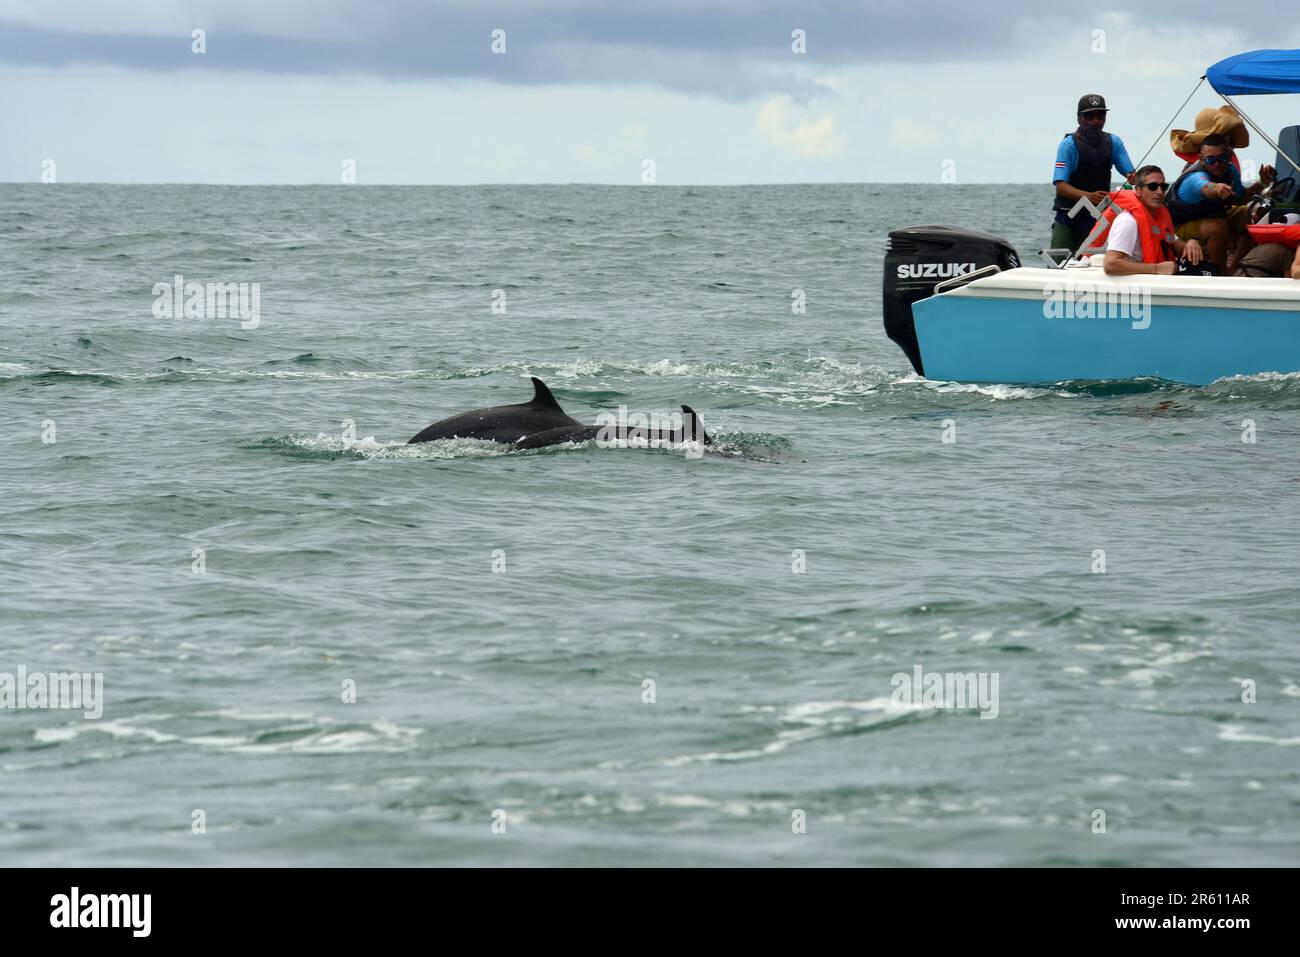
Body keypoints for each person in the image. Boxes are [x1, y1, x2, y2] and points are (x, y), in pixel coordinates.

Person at [1166, 133, 1275, 271]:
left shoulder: (1230, 171)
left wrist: (1262, 183)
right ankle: (1220, 274)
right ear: (1201, 159)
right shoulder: (1195, 177)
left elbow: (1241, 199)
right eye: (1211, 160)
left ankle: (1235, 269)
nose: (1217, 164)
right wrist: (1217, 188)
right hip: (1178, 227)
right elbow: (1206, 187)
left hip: (1206, 219)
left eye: (1222, 158)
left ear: (1228, 156)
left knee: (1245, 214)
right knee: (1218, 226)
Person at [1051, 94, 1136, 256]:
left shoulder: (1114, 142)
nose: (1096, 121)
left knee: (1094, 262)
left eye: (1100, 116)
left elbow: (1132, 175)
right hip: (1069, 215)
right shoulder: (1068, 145)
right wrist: (1089, 196)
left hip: (1098, 216)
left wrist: (1140, 182)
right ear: (1079, 118)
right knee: (1058, 262)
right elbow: (1061, 186)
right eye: (1090, 116)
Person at [1103, 166, 1204, 276]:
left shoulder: (1160, 218)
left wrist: (1192, 241)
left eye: (1163, 186)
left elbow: (1177, 246)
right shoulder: (1128, 222)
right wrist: (1156, 268)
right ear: (1138, 190)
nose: (1159, 191)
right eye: (1152, 186)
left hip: (1161, 279)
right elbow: (1110, 265)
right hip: (1142, 284)